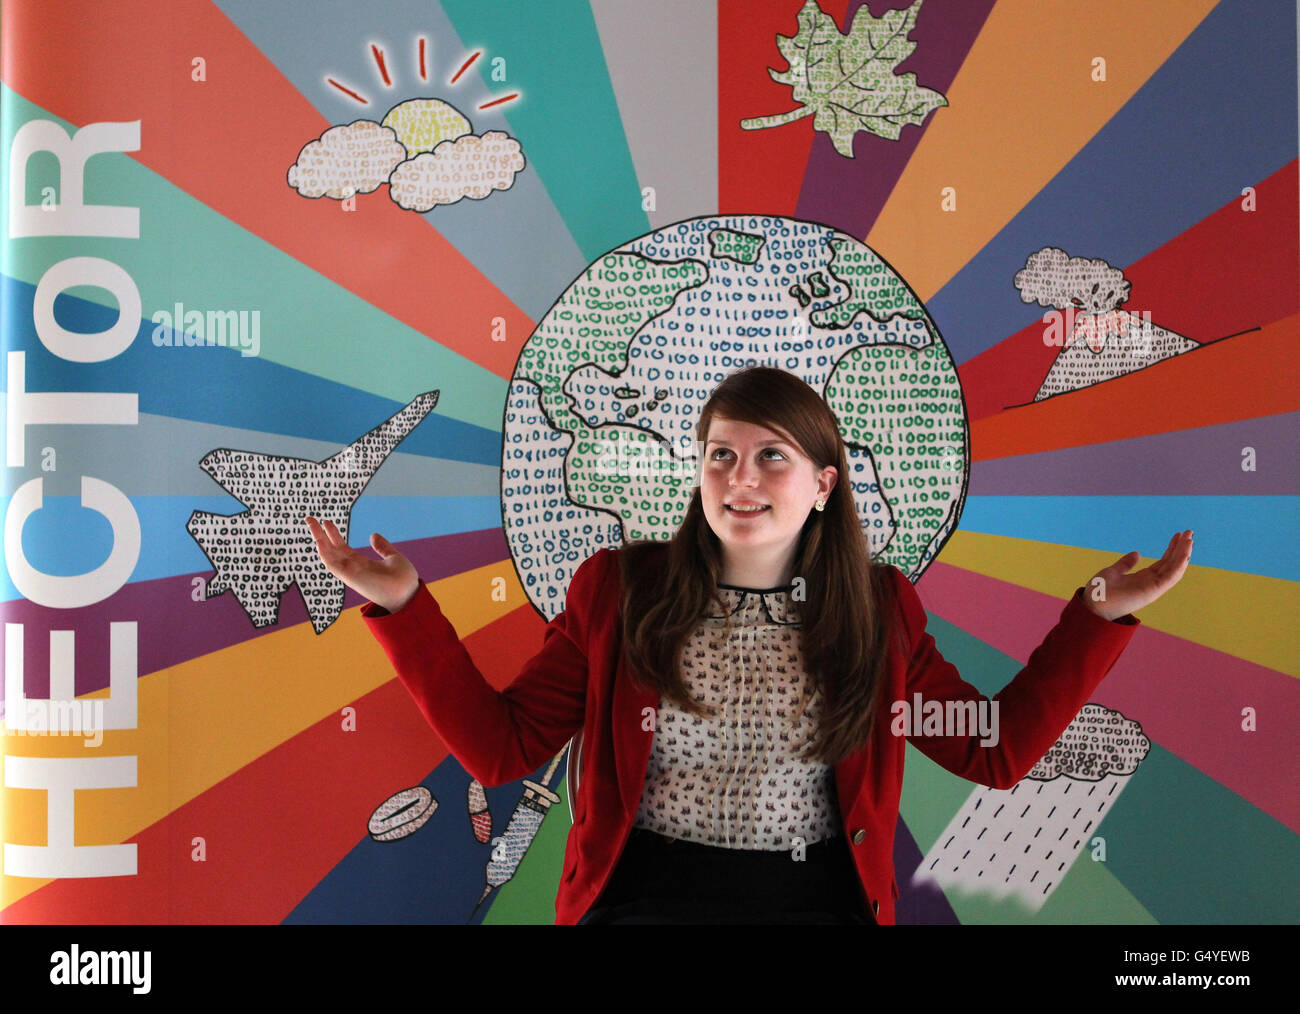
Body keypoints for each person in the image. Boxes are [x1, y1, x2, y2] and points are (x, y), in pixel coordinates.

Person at [306, 366, 1192, 925]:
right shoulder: (619, 590)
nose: (741, 478)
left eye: (772, 457)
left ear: (822, 483)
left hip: (816, 902)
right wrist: (406, 606)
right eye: (721, 456)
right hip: (643, 903)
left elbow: (990, 751)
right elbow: (500, 749)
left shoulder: (877, 609)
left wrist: (1100, 614)